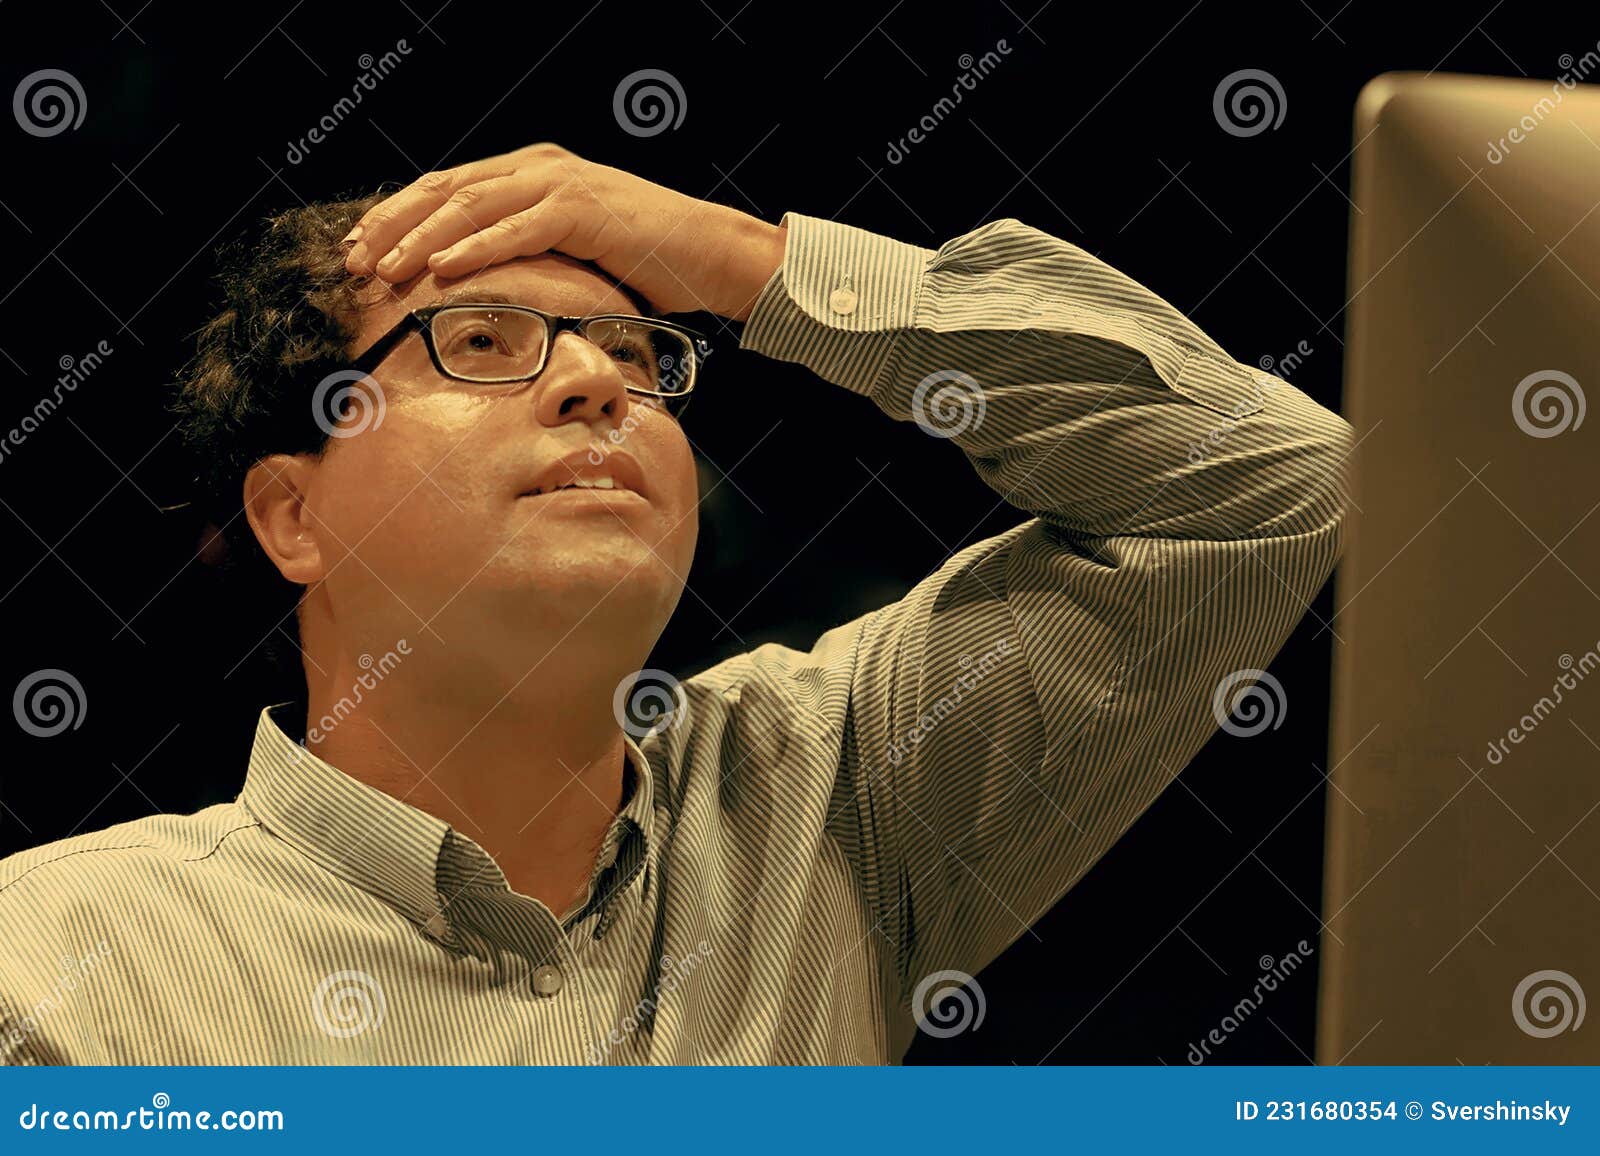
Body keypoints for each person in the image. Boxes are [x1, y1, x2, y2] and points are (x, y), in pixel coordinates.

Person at [0, 142, 1351, 1064]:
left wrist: (737, 261)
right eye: (481, 341)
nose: (600, 383)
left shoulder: (835, 789)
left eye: (643, 353)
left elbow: (1266, 484)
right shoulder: (57, 972)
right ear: (292, 513)